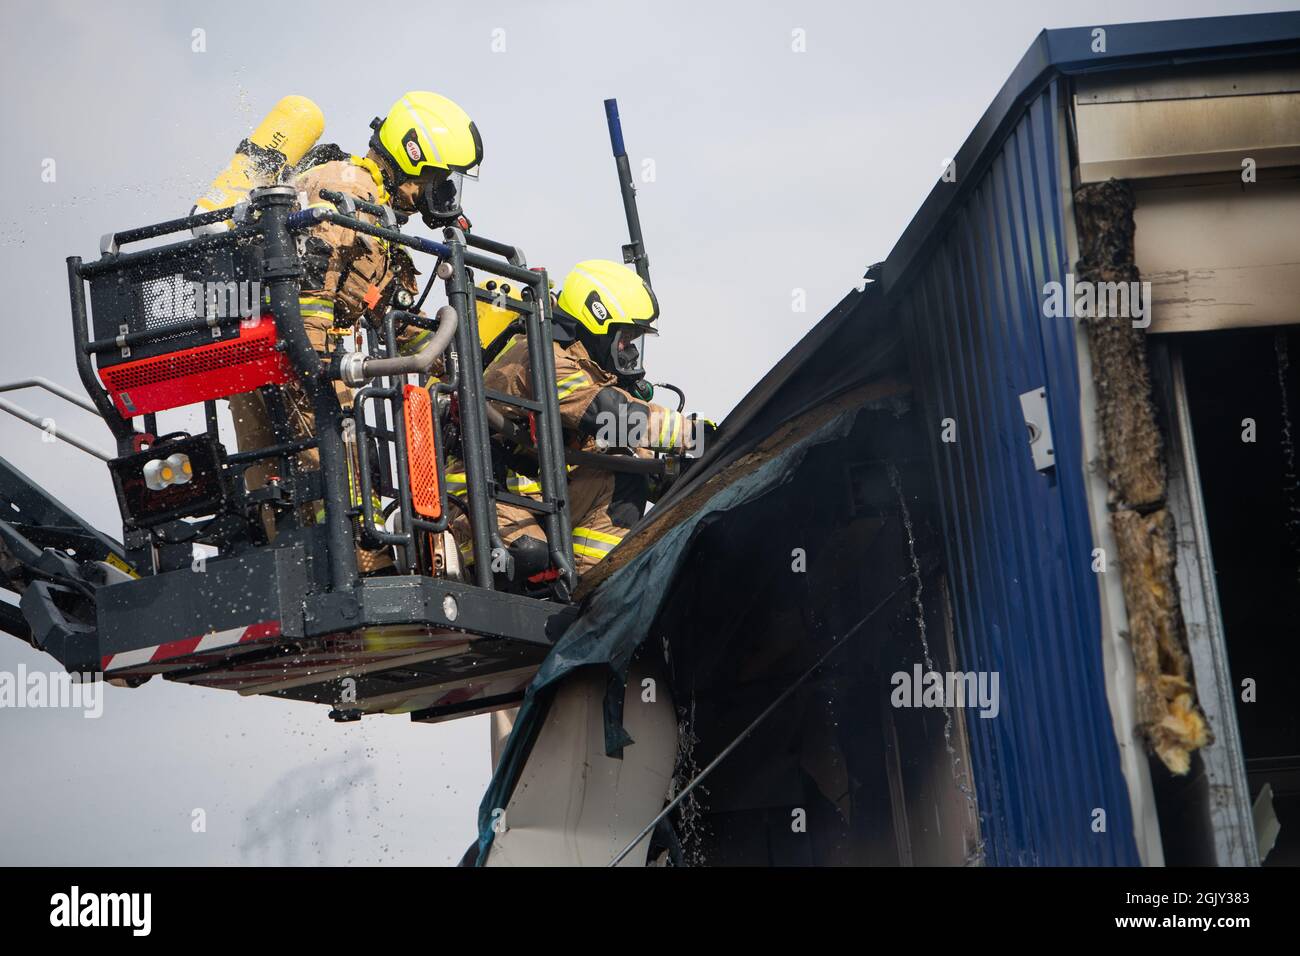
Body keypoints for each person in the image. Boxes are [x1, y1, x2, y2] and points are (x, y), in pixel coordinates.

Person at [227, 92, 482, 570]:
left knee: (286, 479)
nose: (442, 191)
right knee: (332, 465)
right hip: (289, 354)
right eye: (439, 178)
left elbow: (389, 305)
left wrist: (458, 374)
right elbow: (306, 290)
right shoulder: (348, 192)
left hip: (272, 357)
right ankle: (355, 566)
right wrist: (318, 367)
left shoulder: (370, 205)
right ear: (414, 158)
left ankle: (311, 562)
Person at [451, 259, 703, 583]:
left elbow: (628, 442)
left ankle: (595, 590)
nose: (631, 353)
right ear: (596, 322)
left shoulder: (584, 366)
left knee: (624, 470)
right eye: (625, 339)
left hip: (530, 496)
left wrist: (686, 472)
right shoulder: (543, 357)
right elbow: (613, 415)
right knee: (527, 556)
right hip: (476, 489)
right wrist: (694, 435)